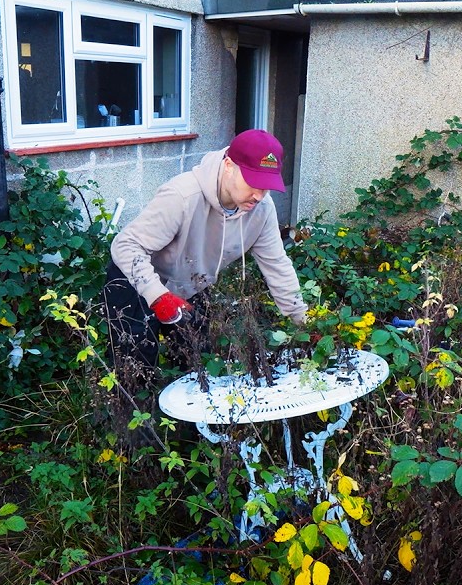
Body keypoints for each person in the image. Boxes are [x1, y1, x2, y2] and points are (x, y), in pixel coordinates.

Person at [102, 129, 308, 407]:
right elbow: (125, 246)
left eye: (266, 185)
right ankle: (135, 439)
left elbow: (278, 266)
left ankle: (189, 437)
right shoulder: (182, 196)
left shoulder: (261, 210)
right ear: (229, 166)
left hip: (190, 285)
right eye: (254, 182)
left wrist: (303, 321)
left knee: (197, 364)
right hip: (135, 281)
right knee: (137, 368)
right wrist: (157, 295)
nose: (259, 194)